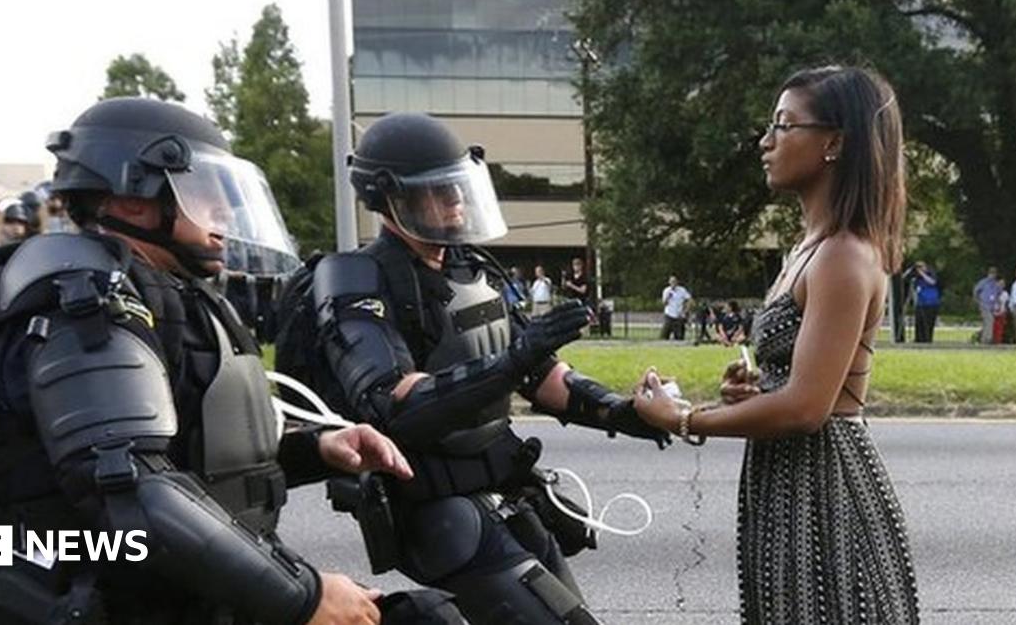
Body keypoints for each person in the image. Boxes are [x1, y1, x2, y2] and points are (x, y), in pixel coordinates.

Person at [0, 98, 413, 624]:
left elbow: (195, 457)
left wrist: (318, 449)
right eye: (203, 190)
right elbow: (131, 487)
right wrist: (303, 597)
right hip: (89, 599)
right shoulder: (79, 301)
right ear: (134, 199)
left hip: (180, 592)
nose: (225, 210)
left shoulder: (170, 294)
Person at [305, 112, 671, 624]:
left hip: (503, 492)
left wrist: (624, 412)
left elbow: (541, 375)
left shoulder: (467, 268)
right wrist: (512, 362)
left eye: (458, 188)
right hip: (437, 510)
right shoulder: (353, 277)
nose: (455, 202)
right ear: (391, 198)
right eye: (439, 191)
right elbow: (394, 404)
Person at [634, 66, 919, 623]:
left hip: (827, 492)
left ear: (833, 142)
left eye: (784, 126)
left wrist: (684, 418)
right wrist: (755, 392)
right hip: (790, 483)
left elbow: (810, 408)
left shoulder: (842, 254)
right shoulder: (808, 250)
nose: (765, 142)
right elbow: (798, 387)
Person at [905, 260, 941, 343]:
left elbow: (932, 282)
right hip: (920, 303)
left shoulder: (931, 273)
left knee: (928, 322)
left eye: (921, 266)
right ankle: (919, 339)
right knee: (919, 322)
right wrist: (911, 270)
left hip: (932, 302)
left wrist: (922, 274)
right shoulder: (916, 278)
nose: (920, 269)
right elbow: (905, 278)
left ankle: (927, 339)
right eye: (918, 267)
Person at [973, 266, 1001, 344]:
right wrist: (978, 301)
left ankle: (984, 339)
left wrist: (997, 304)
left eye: (994, 273)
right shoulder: (983, 282)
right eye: (991, 273)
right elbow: (976, 290)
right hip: (984, 305)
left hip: (992, 306)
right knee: (989, 320)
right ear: (988, 273)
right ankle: (987, 338)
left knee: (987, 322)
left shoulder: (996, 284)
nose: (993, 275)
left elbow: (998, 294)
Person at [660, 275, 691, 340]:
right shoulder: (666, 290)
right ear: (669, 282)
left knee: (679, 337)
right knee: (663, 336)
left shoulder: (682, 290)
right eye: (671, 282)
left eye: (674, 281)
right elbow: (664, 303)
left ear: (677, 282)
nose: (673, 283)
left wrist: (686, 310)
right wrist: (668, 297)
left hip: (678, 316)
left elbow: (689, 299)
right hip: (669, 315)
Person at [992, 277, 1010, 344]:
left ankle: (998, 342)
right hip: (993, 313)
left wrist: (1004, 311)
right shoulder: (992, 293)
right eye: (999, 283)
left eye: (1002, 284)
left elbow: (1007, 304)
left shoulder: (1005, 294)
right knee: (993, 329)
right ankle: (992, 341)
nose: (1001, 285)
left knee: (1000, 330)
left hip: (1001, 313)